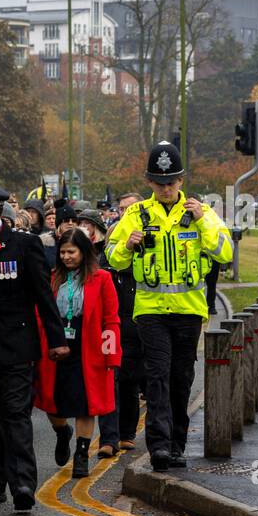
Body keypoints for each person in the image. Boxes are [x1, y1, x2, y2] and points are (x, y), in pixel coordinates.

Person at [104, 141, 233, 471]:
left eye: (171, 182)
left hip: (189, 310)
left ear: (181, 181)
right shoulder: (135, 214)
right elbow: (113, 259)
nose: (165, 188)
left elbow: (225, 253)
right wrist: (128, 245)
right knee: (157, 376)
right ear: (149, 182)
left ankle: (177, 444)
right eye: (159, 183)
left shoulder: (199, 213)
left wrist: (203, 221)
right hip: (150, 311)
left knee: (181, 378)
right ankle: (159, 446)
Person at [0, 179, 67, 512]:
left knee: (16, 414)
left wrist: (56, 339)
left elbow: (42, 295)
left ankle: (22, 483)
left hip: (17, 346)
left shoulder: (23, 244)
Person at [35, 228, 122, 479]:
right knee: (54, 403)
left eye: (71, 251)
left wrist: (111, 354)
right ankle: (62, 433)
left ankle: (81, 454)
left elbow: (111, 319)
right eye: (62, 252)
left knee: (86, 405)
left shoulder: (102, 278)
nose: (66, 257)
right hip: (55, 346)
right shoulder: (51, 278)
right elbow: (40, 313)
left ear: (84, 252)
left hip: (89, 347)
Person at [97, 192, 145, 458]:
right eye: (122, 208)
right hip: (111, 321)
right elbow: (105, 266)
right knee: (109, 377)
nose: (125, 212)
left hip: (136, 317)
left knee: (130, 379)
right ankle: (108, 437)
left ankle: (126, 433)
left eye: (131, 208)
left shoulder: (149, 234)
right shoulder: (115, 232)